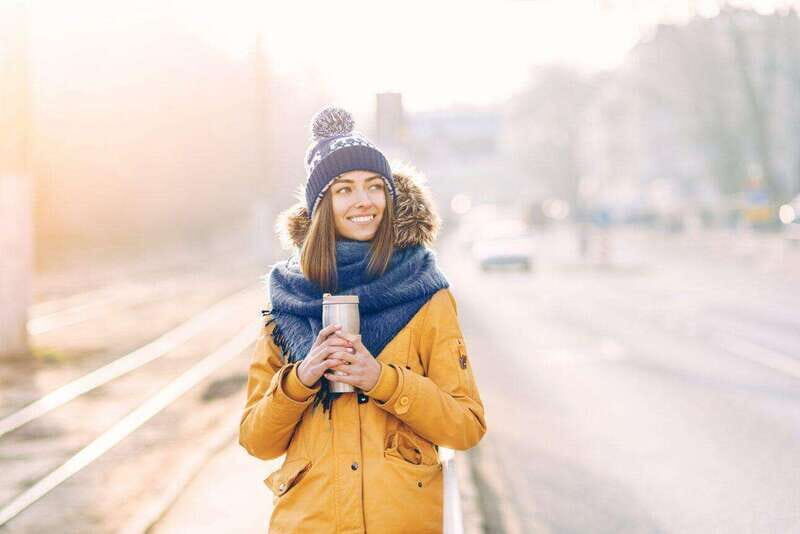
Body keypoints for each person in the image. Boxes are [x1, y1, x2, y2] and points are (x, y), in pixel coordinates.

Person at [239, 106, 486, 533]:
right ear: (322, 206)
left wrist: (382, 380)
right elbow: (257, 440)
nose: (364, 201)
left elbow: (465, 427)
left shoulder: (427, 294)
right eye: (344, 189)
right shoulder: (287, 301)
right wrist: (300, 380)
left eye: (375, 187)